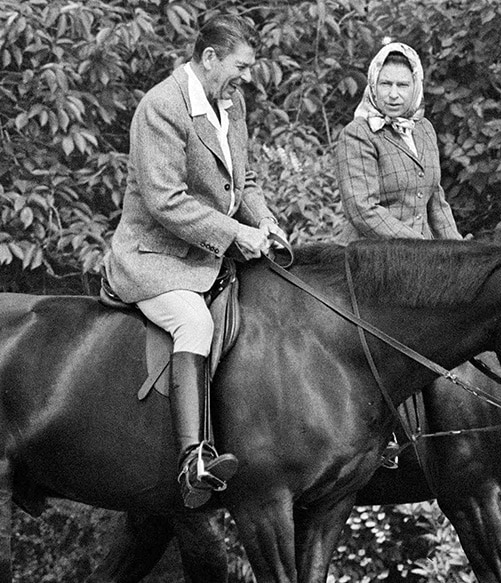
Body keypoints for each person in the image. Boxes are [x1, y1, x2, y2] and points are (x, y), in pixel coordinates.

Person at [103, 14, 287, 509]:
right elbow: (165, 201)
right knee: (193, 324)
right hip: (155, 258)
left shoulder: (231, 103)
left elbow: (242, 183)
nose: (247, 78)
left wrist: (265, 224)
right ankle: (193, 461)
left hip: (213, 255)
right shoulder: (161, 107)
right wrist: (236, 234)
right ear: (209, 59)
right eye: (241, 67)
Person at [334, 42, 463, 243]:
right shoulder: (358, 134)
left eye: (402, 85)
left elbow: (436, 202)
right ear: (373, 85)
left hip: (423, 256)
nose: (394, 94)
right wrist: (422, 247)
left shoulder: (424, 129)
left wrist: (459, 250)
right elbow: (363, 210)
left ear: (415, 87)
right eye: (386, 84)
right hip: (372, 254)